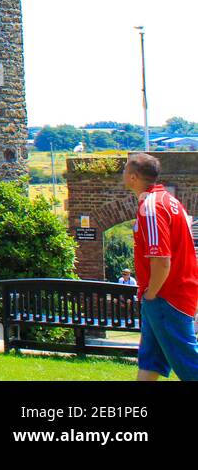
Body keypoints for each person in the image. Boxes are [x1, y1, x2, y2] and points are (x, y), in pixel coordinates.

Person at [124, 152, 198, 380]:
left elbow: (161, 260)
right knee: (151, 360)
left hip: (166, 296)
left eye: (125, 169)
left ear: (134, 177)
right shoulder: (170, 202)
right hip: (169, 294)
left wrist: (151, 294)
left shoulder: (151, 207)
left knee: (189, 366)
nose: (122, 173)